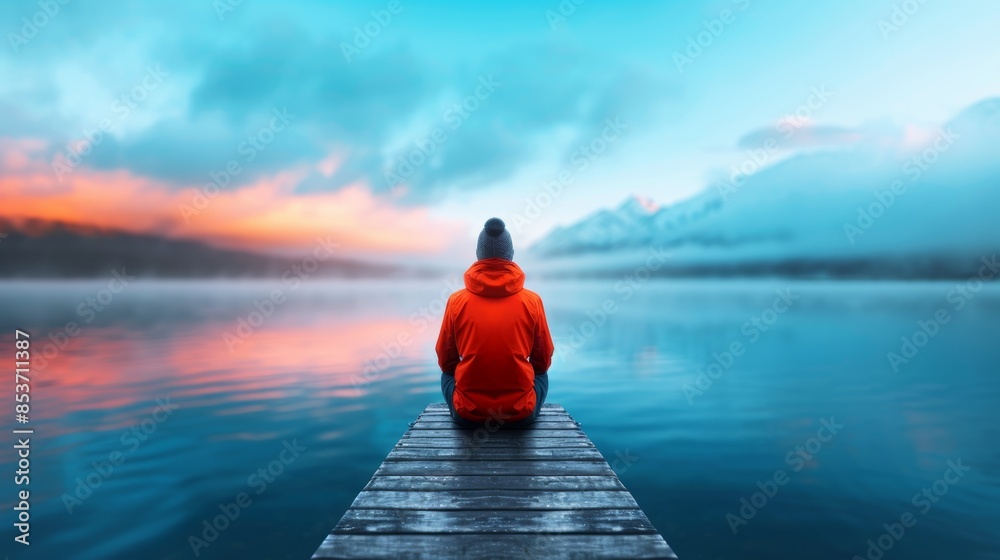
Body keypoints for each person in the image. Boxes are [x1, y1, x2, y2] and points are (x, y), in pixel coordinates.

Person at [436, 217, 554, 428]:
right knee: (541, 374)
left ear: (479, 256)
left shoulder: (456, 301)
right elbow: (542, 360)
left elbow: (446, 360)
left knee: (447, 373)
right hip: (520, 413)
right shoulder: (532, 301)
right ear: (510, 255)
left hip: (468, 414)